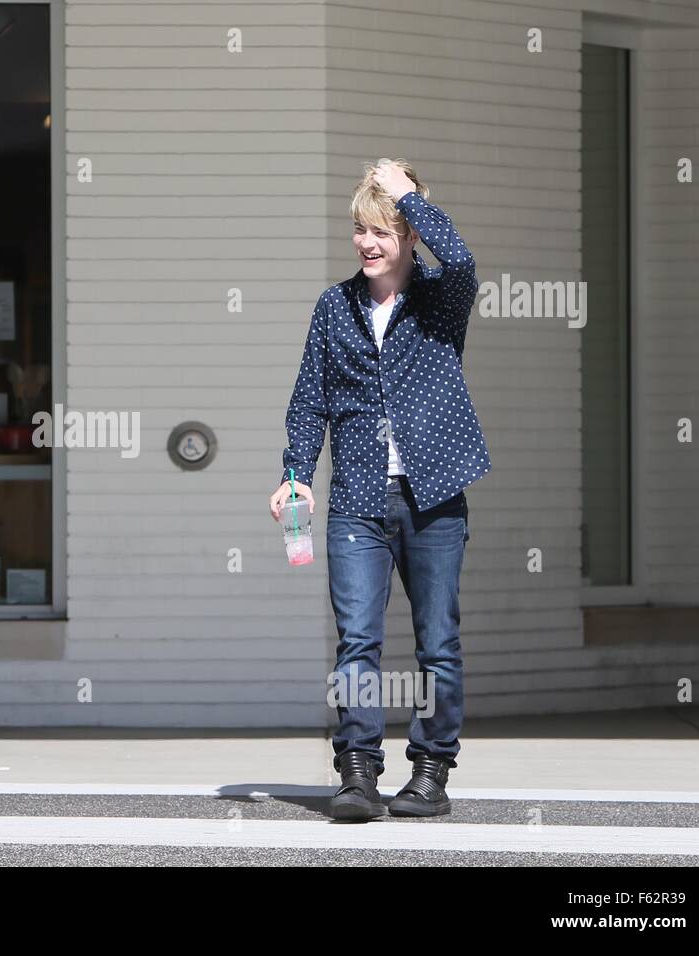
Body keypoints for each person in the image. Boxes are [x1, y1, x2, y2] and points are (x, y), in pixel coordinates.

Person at [268, 159, 490, 821]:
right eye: (361, 230)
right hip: (358, 502)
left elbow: (462, 259)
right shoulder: (334, 308)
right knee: (357, 640)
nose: (368, 243)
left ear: (407, 237)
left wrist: (409, 197)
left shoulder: (438, 301)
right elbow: (311, 402)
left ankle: (431, 772)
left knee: (437, 641)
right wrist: (295, 474)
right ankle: (358, 771)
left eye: (382, 231)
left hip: (435, 497)